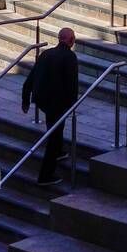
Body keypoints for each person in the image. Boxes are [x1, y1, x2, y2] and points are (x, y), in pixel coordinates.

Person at [21, 27, 80, 187]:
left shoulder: (46, 54)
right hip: (57, 102)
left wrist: (25, 99)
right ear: (71, 40)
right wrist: (72, 104)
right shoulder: (70, 57)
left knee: (54, 126)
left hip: (43, 99)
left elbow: (32, 76)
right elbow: (72, 84)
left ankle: (59, 151)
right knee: (54, 134)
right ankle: (45, 175)